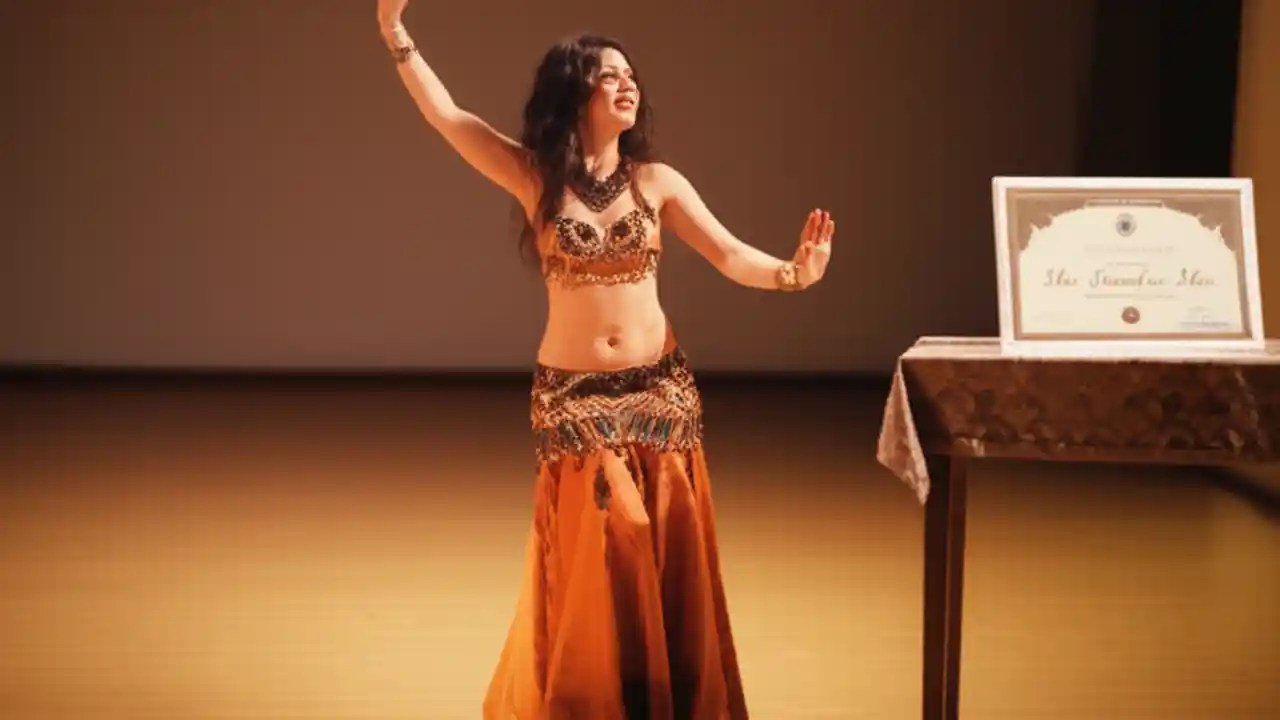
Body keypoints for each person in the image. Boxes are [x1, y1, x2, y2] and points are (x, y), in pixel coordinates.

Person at [376, 2, 833, 717]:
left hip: (661, 392)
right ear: (574, 93)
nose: (627, 86)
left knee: (660, 549)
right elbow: (449, 117)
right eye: (607, 75)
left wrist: (791, 273)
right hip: (575, 402)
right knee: (606, 545)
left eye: (631, 75)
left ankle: (660, 699)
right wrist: (394, 34)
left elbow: (730, 253)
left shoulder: (658, 183)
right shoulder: (537, 179)